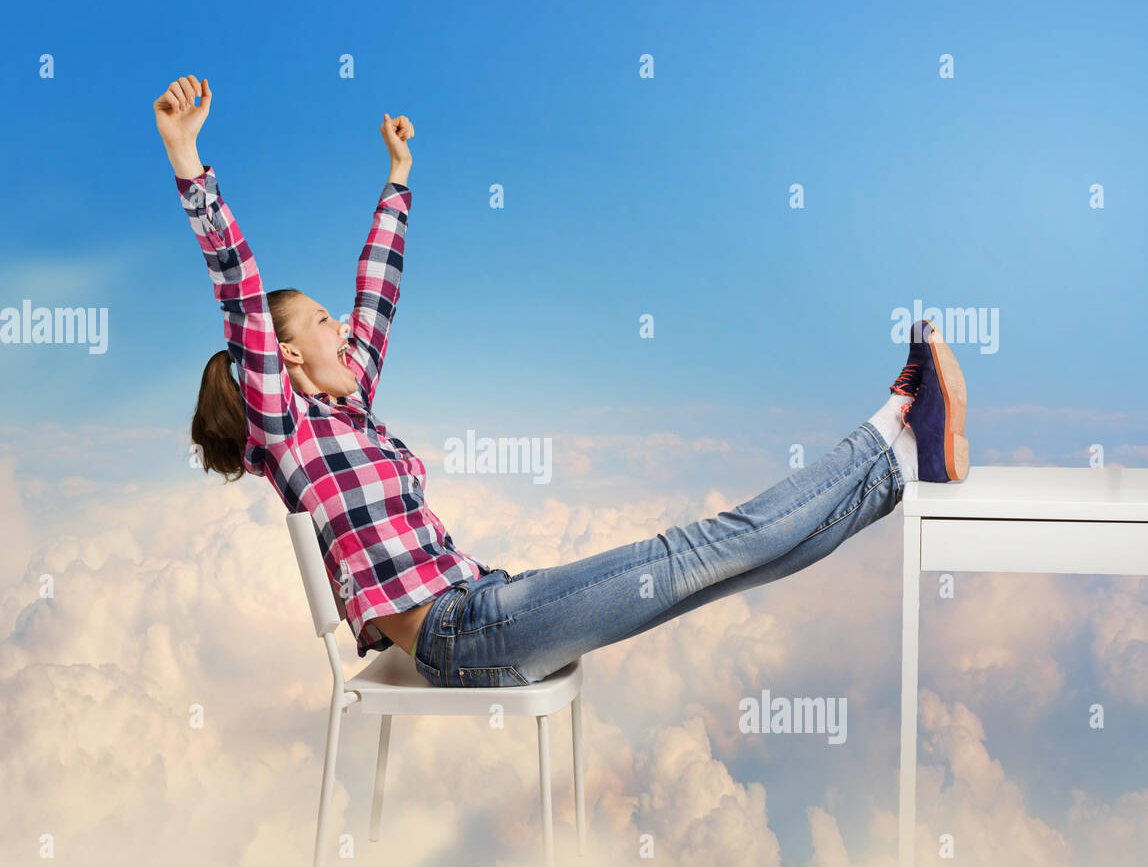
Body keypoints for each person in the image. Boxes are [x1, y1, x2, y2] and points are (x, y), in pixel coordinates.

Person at [155, 74, 969, 689]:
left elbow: (379, 293)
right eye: (323, 324)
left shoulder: (349, 408)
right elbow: (237, 286)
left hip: (488, 607)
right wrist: (187, 160)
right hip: (468, 636)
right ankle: (896, 416)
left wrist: (398, 178)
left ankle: (898, 466)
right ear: (285, 356)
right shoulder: (288, 429)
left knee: (728, 567)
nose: (343, 330)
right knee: (697, 549)